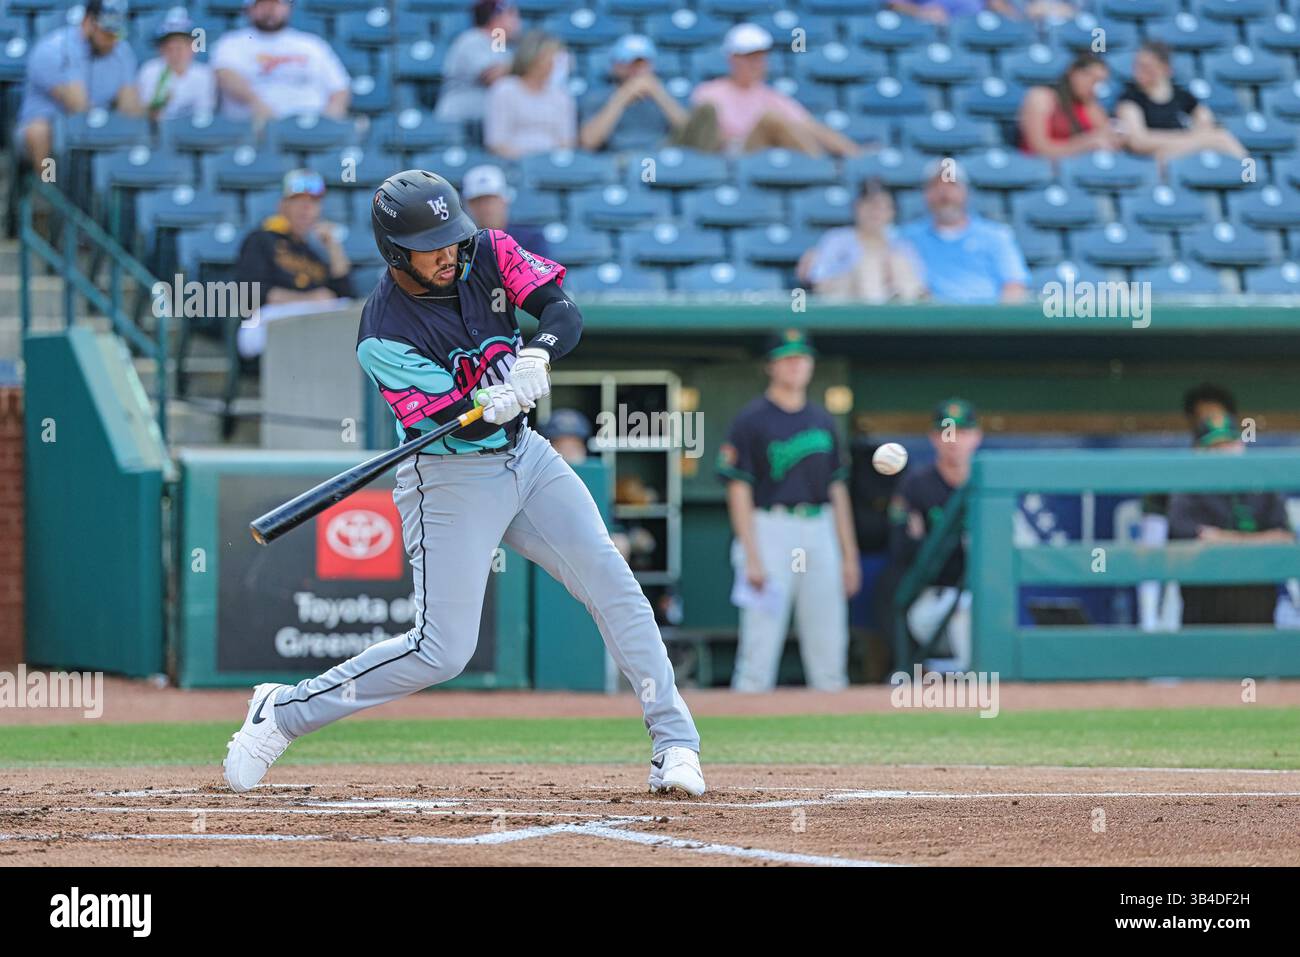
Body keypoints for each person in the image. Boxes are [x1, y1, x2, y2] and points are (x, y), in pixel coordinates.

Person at [223, 169, 705, 798]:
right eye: (432, 246)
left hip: (528, 458)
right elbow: (456, 425)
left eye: (452, 238)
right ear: (397, 253)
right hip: (449, 476)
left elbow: (562, 311)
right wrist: (489, 404)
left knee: (613, 583)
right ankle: (282, 712)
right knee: (442, 651)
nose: (449, 253)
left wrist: (538, 355)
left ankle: (674, 743)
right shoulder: (382, 333)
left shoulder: (490, 251)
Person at [717, 329, 860, 692]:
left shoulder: (823, 419)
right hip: (770, 527)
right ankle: (747, 734)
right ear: (771, 366)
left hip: (819, 526)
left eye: (802, 357)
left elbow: (837, 489)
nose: (797, 365)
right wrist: (750, 555)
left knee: (829, 644)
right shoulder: (751, 419)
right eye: (788, 358)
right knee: (759, 648)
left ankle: (835, 739)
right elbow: (739, 489)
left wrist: (849, 554)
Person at [1167, 411, 1295, 626]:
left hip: (1258, 620)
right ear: (1199, 451)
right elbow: (1195, 541)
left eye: (1229, 444)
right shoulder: (1188, 493)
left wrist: (1222, 539)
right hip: (1204, 618)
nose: (1225, 452)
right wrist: (1258, 542)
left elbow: (1284, 540)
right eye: (1215, 447)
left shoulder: (1263, 489)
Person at [890, 398, 983, 672]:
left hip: (979, 596)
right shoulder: (916, 484)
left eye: (962, 432)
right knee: (962, 614)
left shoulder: (987, 484)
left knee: (975, 611)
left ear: (977, 437)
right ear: (934, 438)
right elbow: (902, 550)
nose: (954, 440)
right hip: (931, 598)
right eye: (946, 432)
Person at [683, 23, 862, 157]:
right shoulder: (709, 92)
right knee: (772, 119)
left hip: (765, 154)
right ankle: (820, 166)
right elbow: (703, 137)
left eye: (760, 58)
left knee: (802, 125)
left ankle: (852, 159)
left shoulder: (770, 96)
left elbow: (810, 126)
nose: (756, 64)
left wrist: (853, 151)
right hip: (728, 156)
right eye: (749, 58)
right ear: (733, 58)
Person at [233, 169, 353, 357]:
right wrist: (310, 300)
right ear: (282, 206)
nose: (306, 208)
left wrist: (333, 246)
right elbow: (251, 292)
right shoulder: (261, 239)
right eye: (298, 201)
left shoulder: (313, 254)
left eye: (313, 202)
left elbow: (344, 294)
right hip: (266, 320)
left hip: (310, 321)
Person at [14, 0, 140, 170]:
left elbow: (130, 108)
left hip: (96, 124)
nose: (112, 38)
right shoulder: (53, 48)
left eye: (117, 31)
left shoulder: (122, 50)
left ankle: (105, 191)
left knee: (131, 132)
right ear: (87, 22)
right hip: (52, 124)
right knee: (40, 132)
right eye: (106, 30)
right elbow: (77, 106)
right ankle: (45, 185)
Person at [898, 160, 1029, 304]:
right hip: (929, 321)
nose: (944, 194)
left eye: (951, 185)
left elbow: (1014, 287)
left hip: (987, 321)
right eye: (936, 186)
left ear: (965, 191)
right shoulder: (908, 238)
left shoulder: (996, 236)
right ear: (926, 194)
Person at [212, 0, 350, 123]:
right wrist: (257, 105)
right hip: (255, 126)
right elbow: (225, 75)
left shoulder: (311, 44)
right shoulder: (232, 42)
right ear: (250, 9)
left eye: (276, 4)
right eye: (263, 4)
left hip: (311, 123)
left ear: (288, 8)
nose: (270, 10)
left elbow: (339, 89)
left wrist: (329, 120)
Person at [797, 178, 925, 303]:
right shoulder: (837, 239)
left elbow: (919, 287)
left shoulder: (902, 245)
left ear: (892, 212)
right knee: (869, 266)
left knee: (898, 262)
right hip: (845, 303)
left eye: (882, 206)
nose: (875, 212)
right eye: (869, 204)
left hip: (891, 300)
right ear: (857, 207)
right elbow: (820, 283)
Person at [1117, 42, 1246, 164]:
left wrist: (1195, 138)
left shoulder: (1182, 96)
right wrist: (1192, 138)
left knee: (1223, 137)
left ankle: (1251, 177)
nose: (1139, 72)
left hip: (1184, 149)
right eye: (1137, 66)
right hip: (1156, 158)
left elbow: (1206, 122)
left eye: (1147, 67)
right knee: (1166, 155)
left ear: (1166, 69)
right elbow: (1139, 141)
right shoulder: (1130, 97)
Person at [578, 34, 687, 152]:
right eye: (629, 63)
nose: (636, 69)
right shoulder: (596, 98)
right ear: (616, 66)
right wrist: (622, 98)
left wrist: (659, 95)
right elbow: (588, 143)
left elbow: (692, 136)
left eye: (642, 63)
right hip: (616, 161)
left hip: (658, 161)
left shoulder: (670, 96)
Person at [482, 32, 576, 160]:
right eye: (551, 56)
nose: (555, 62)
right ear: (533, 57)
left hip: (551, 167)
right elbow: (496, 143)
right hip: (512, 165)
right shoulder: (504, 90)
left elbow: (567, 142)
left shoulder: (562, 96)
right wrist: (530, 163)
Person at [1018, 52, 1122, 159]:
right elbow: (1039, 149)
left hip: (1078, 167)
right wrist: (1085, 143)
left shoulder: (1091, 105)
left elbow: (1108, 137)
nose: (1094, 85)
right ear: (1072, 72)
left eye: (1100, 81)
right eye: (1090, 77)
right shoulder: (1041, 97)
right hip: (1040, 167)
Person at [435, 0, 520, 127]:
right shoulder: (472, 39)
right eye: (511, 15)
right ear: (495, 19)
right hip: (460, 119)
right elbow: (491, 77)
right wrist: (527, 64)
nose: (518, 22)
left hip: (482, 118)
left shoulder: (500, 43)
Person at [136, 8, 216, 121]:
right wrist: (159, 103)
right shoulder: (150, 71)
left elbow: (204, 115)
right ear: (161, 49)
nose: (175, 52)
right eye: (169, 46)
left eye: (180, 46)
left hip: (192, 134)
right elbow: (144, 115)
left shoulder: (203, 74)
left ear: (193, 48)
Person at [460, 163, 548, 257]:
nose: (486, 207)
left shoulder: (531, 239)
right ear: (468, 206)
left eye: (492, 200)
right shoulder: (462, 245)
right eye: (478, 202)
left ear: (505, 200)